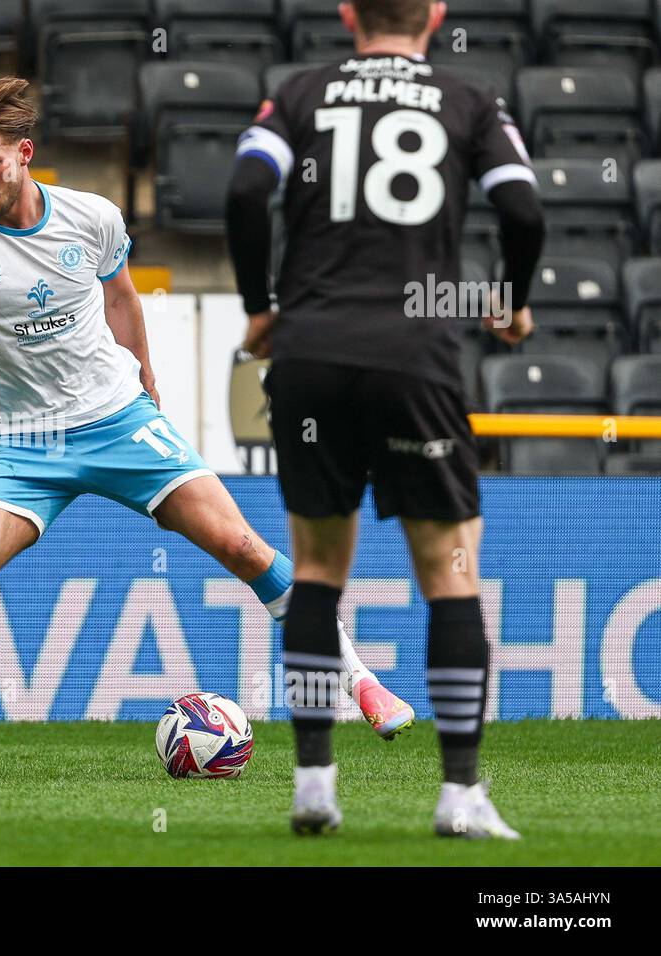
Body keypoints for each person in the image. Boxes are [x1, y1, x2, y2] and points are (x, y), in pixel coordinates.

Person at [0, 76, 413, 782]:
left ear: (25, 152)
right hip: (29, 441)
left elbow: (124, 301)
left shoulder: (93, 218)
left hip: (119, 420)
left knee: (240, 543)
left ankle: (359, 681)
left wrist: (150, 391)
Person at [226, 0, 545, 837]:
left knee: (317, 568)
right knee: (450, 574)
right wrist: (509, 299)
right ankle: (460, 796)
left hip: (311, 355)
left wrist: (261, 309)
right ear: (436, 14)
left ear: (346, 12)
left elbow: (246, 189)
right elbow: (523, 210)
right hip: (417, 359)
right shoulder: (468, 98)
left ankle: (314, 782)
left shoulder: (297, 92)